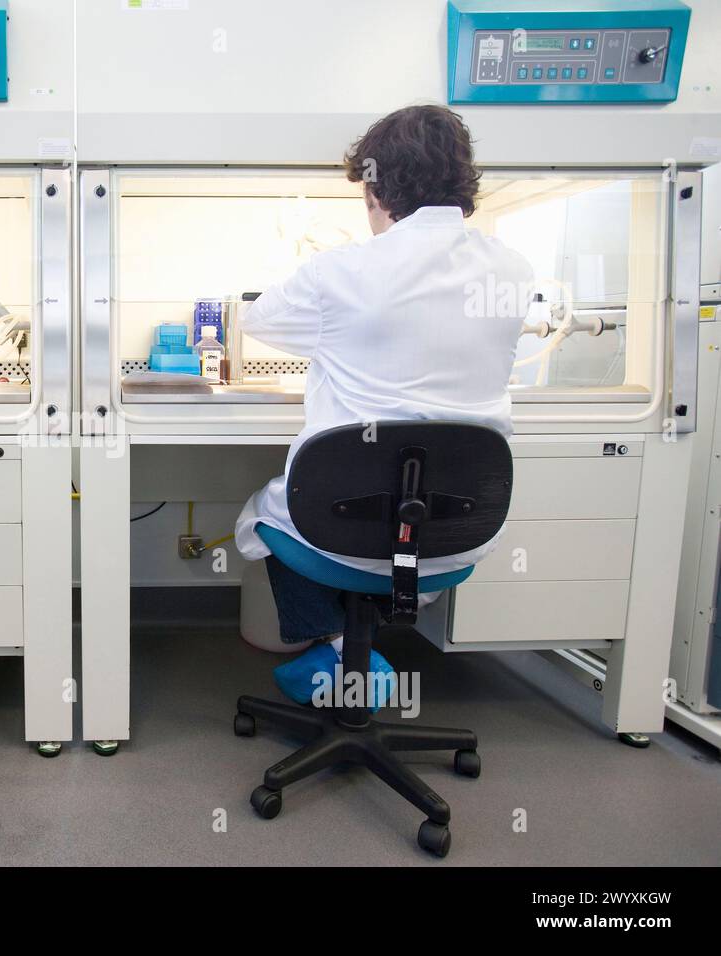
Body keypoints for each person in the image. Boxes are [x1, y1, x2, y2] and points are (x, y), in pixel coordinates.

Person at [233, 105, 533, 707]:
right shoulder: (512, 271)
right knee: (371, 523)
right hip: (459, 528)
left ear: (375, 190)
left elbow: (257, 318)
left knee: (261, 517)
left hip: (340, 527)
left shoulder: (342, 269)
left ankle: (335, 648)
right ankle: (357, 655)